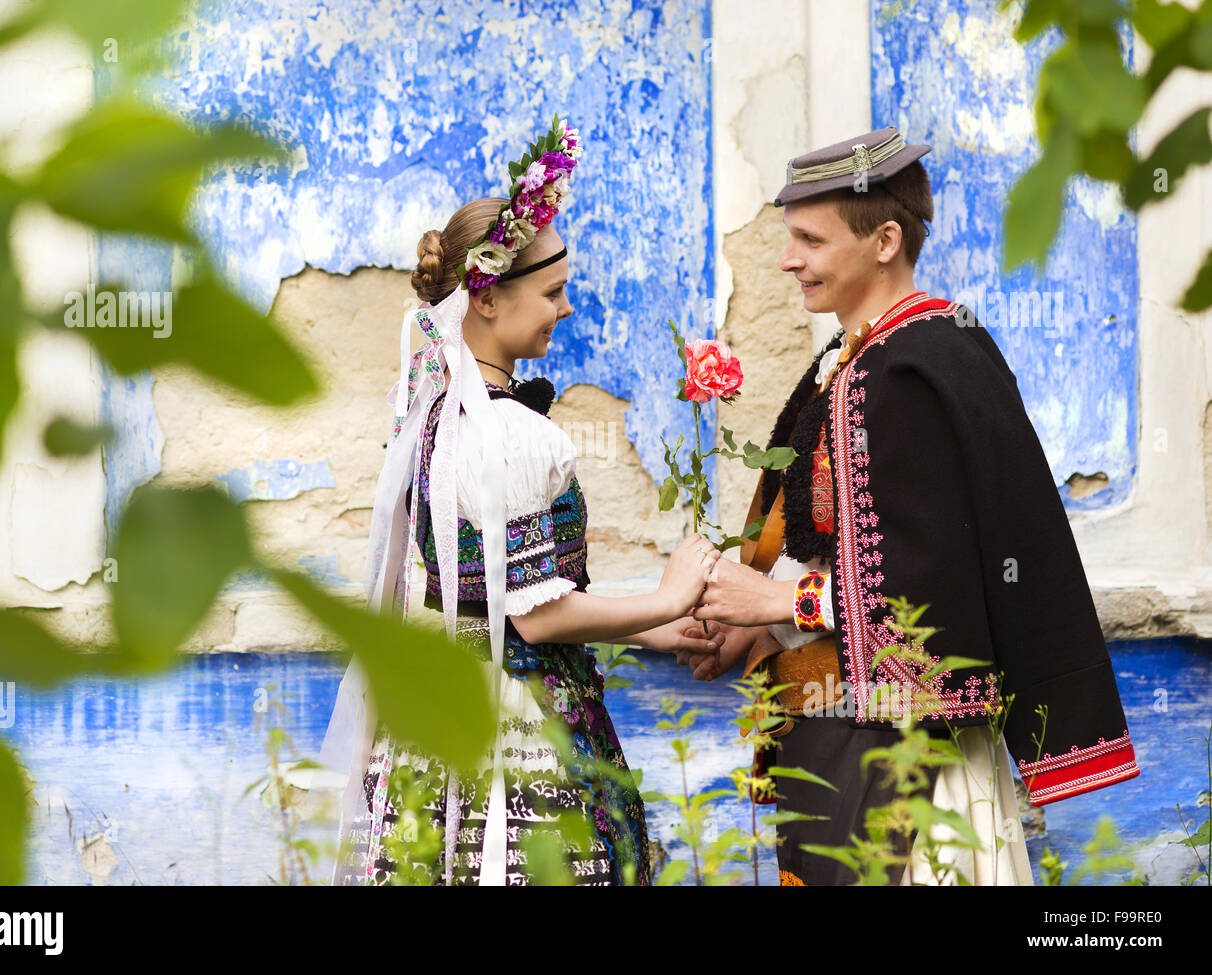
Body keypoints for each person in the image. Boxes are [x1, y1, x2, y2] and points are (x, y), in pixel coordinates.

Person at [679, 126, 1140, 885]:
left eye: (810, 240)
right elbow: (839, 543)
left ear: (885, 238)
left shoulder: (917, 367)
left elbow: (936, 593)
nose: (789, 258)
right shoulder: (860, 360)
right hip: (838, 736)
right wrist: (750, 623)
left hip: (907, 767)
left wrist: (776, 597)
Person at [318, 118, 723, 886]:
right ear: (489, 301)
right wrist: (665, 595)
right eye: (553, 292)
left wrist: (660, 630)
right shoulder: (508, 434)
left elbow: (509, 595)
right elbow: (536, 618)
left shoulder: (435, 422)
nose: (566, 309)